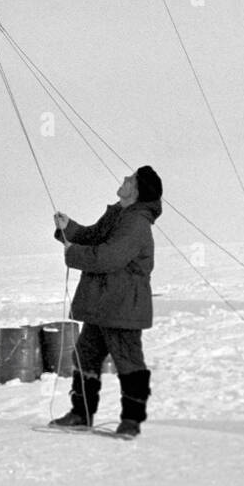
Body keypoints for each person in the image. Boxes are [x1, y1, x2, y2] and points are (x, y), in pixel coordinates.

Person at [49, 165, 163, 436]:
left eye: (130, 179)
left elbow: (109, 257)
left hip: (123, 305)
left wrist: (74, 253)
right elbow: (94, 237)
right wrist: (70, 229)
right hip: (103, 304)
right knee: (85, 356)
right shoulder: (120, 214)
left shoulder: (135, 222)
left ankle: (131, 421)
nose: (124, 179)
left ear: (136, 191)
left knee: (129, 361)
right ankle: (80, 414)